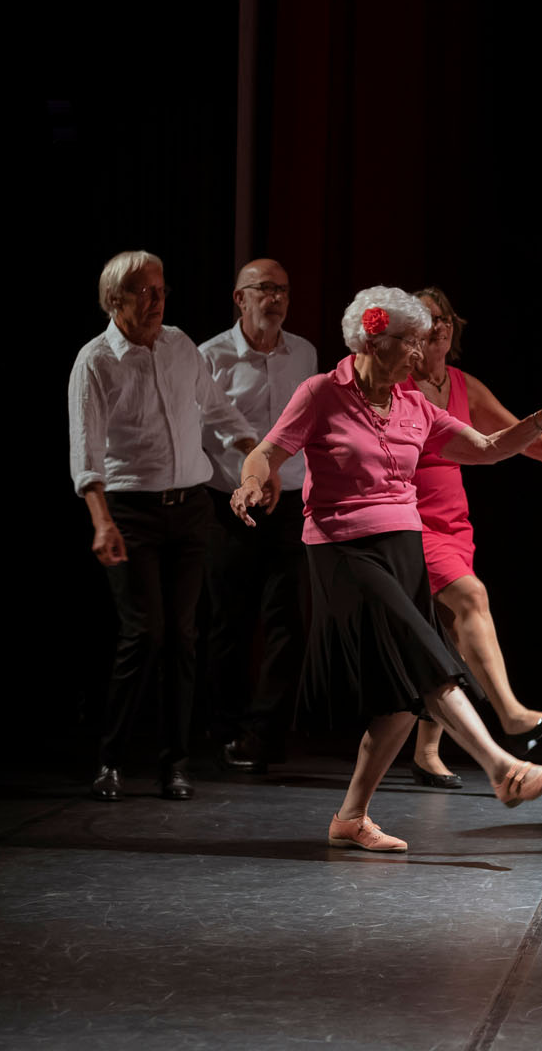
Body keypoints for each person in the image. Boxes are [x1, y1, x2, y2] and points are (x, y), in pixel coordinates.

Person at [230, 288, 542, 851]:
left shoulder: (413, 405)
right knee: (427, 656)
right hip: (343, 550)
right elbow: (268, 452)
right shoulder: (322, 392)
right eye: (413, 341)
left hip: (403, 546)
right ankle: (503, 768)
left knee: (399, 694)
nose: (423, 353)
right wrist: (252, 482)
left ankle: (351, 817)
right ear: (376, 340)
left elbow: (491, 448)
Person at [405, 287, 542, 787]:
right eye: (424, 320)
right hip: (410, 522)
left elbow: (522, 440)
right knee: (470, 599)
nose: (436, 327)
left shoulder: (463, 385)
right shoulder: (396, 386)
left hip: (454, 523)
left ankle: (426, 750)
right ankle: (510, 714)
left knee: (449, 639)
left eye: (443, 318)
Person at [69, 251, 259, 802]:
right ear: (115, 300)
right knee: (145, 634)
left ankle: (175, 763)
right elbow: (86, 454)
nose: (156, 301)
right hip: (132, 514)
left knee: (183, 637)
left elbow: (220, 414)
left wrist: (255, 453)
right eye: (143, 292)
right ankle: (110, 758)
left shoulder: (180, 347)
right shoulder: (96, 361)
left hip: (191, 509)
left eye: (160, 290)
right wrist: (102, 523)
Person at [199, 258, 318, 773]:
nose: (277, 300)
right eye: (265, 289)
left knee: (290, 621)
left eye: (284, 291)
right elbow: (208, 426)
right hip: (228, 502)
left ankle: (264, 734)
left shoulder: (305, 353)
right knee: (229, 623)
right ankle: (225, 730)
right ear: (239, 298)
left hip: (290, 504)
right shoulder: (210, 357)